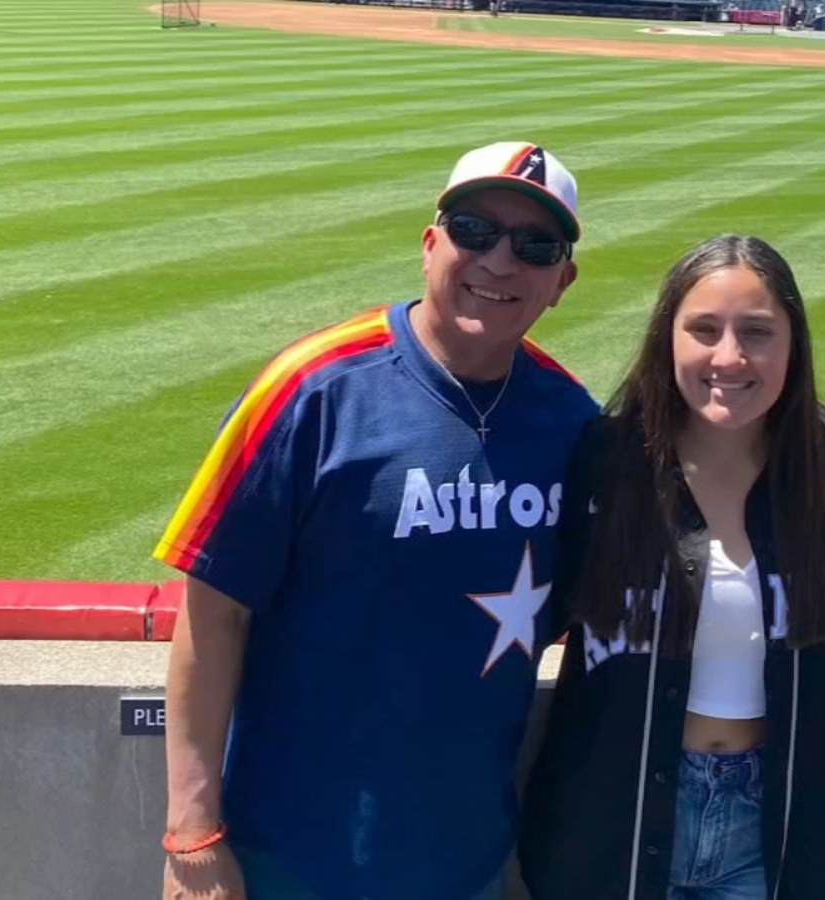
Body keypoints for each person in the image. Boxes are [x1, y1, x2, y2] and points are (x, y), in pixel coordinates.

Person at [156, 141, 596, 900]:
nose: (498, 262)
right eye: (473, 230)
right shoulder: (313, 390)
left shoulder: (574, 421)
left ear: (562, 280)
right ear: (430, 244)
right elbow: (212, 610)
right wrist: (193, 837)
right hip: (287, 858)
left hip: (468, 860)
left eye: (534, 246)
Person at [519, 235, 825, 900]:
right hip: (610, 818)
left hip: (769, 823)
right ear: (668, 339)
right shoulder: (605, 457)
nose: (729, 356)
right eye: (703, 330)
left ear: (793, 346)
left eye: (756, 332)